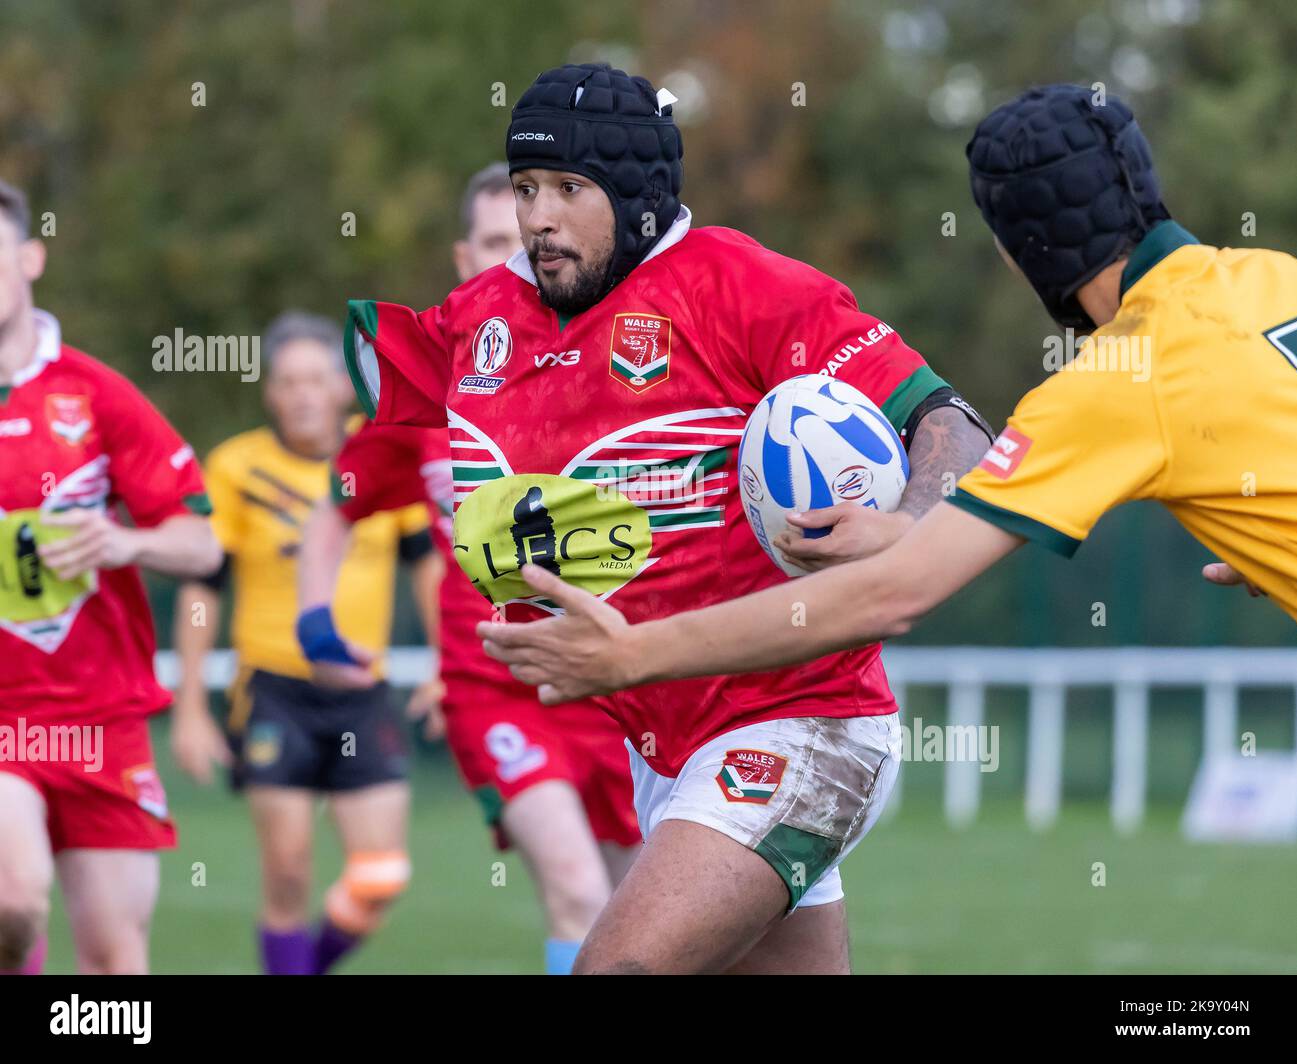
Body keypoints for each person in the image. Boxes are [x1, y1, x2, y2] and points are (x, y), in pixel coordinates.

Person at [341, 64, 993, 973]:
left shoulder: (742, 287)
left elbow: (951, 423)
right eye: (527, 189)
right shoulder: (489, 315)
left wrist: (917, 521)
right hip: (665, 745)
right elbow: (370, 368)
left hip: (800, 720)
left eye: (570, 189)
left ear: (640, 196)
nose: (538, 218)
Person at [480, 86, 1297, 716]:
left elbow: (890, 594)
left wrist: (629, 655)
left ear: (1024, 251)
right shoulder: (1273, 275)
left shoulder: (1118, 379)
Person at [297, 163, 641, 977]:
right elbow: (333, 508)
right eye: (497, 239)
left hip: (618, 679)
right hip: (497, 687)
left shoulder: (613, 362)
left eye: (531, 237)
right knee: (576, 889)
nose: (518, 251)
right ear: (463, 257)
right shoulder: (428, 386)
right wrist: (317, 621)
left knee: (642, 922)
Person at [171, 311, 437, 975]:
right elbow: (204, 587)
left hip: (362, 693)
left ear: (344, 388)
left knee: (381, 874)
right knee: (287, 874)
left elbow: (427, 563)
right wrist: (189, 706)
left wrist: (443, 662)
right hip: (273, 693)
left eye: (317, 379)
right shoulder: (236, 466)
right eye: (288, 381)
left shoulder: (380, 451)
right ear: (270, 392)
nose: (303, 394)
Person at [0, 178, 221, 975]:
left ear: (30, 256)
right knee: (12, 900)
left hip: (103, 720)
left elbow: (203, 545)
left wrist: (124, 545)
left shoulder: (94, 396)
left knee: (115, 964)